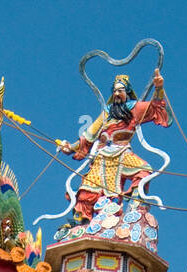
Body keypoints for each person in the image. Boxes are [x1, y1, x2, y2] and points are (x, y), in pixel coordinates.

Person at [57, 70, 170, 223]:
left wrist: (158, 89)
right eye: (115, 90)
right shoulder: (106, 113)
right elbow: (88, 137)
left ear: (127, 92)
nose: (117, 93)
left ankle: (135, 208)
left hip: (122, 153)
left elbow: (155, 107)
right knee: (85, 193)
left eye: (120, 90)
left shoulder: (134, 109)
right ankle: (80, 223)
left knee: (145, 171)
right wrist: (70, 147)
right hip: (101, 157)